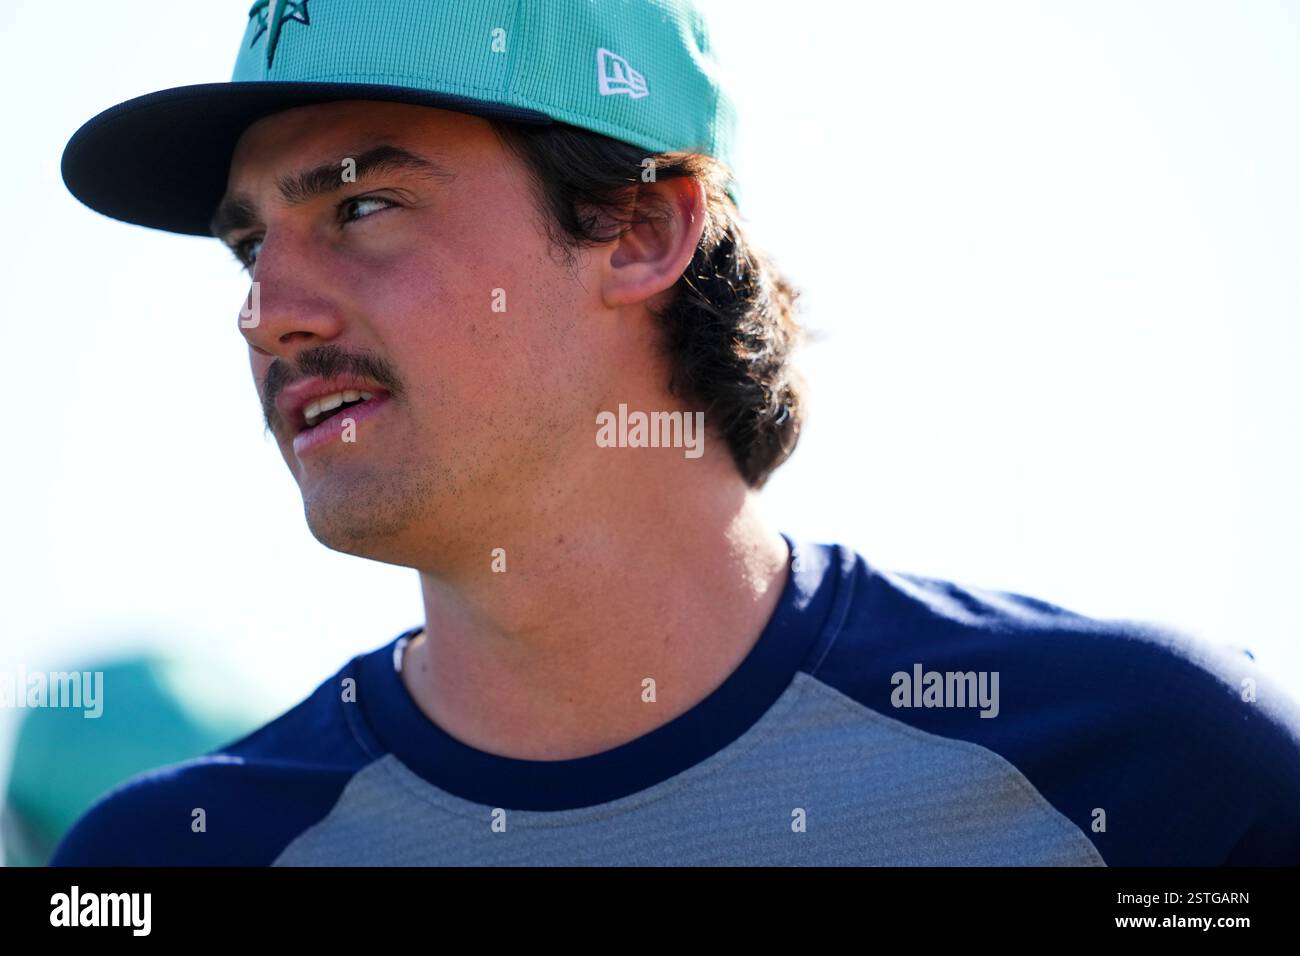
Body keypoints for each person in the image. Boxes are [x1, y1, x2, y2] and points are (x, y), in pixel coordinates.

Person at [52, 0, 1300, 866]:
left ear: (644, 227)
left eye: (363, 203)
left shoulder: (1157, 771)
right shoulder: (161, 860)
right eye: (247, 242)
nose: (266, 313)